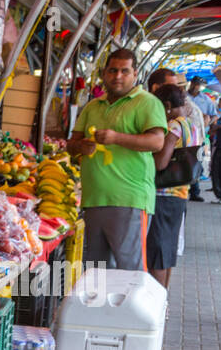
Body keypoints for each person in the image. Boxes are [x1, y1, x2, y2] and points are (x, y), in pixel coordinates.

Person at [67, 49, 167, 271]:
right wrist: (81, 146)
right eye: (113, 70)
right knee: (97, 272)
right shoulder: (93, 106)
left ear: (135, 74)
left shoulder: (147, 103)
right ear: (104, 73)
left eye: (125, 71)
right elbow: (71, 145)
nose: (118, 76)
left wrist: (116, 138)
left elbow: (157, 142)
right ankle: (101, 308)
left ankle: (133, 308)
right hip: (94, 200)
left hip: (129, 200)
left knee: (129, 272)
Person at [146, 85, 199, 288]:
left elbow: (161, 163)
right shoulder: (190, 125)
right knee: (167, 250)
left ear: (167, 106)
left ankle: (157, 300)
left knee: (157, 251)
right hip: (180, 194)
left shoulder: (173, 127)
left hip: (163, 194)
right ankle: (163, 300)